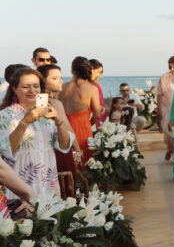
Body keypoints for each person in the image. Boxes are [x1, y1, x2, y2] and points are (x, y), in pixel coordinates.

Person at [0, 69, 73, 198]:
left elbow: (64, 146)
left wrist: (58, 121)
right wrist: (25, 122)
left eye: (36, 86)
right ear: (14, 89)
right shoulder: (5, 116)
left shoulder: (48, 113)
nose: (32, 91)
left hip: (48, 187)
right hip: (20, 190)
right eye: (25, 87)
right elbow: (7, 150)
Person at [38, 64, 83, 175]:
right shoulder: (54, 103)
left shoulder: (40, 102)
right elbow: (68, 129)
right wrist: (77, 151)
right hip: (59, 153)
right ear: (42, 81)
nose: (60, 81)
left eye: (60, 77)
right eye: (54, 78)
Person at [59, 57, 101, 164]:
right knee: (83, 161)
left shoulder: (62, 87)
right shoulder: (91, 88)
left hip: (64, 128)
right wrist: (88, 123)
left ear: (72, 70)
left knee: (66, 160)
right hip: (83, 130)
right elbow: (97, 114)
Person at [89, 59, 107, 127]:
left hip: (101, 116)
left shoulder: (97, 85)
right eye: (98, 72)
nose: (99, 75)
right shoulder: (86, 85)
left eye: (100, 72)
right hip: (93, 117)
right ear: (91, 69)